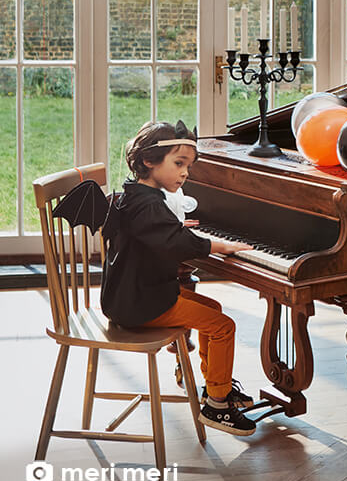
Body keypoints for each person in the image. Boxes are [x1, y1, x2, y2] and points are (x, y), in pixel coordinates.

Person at [100, 120, 257, 436]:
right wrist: (216, 244)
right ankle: (216, 405)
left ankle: (217, 387)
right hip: (141, 304)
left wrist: (181, 229)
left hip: (135, 295)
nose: (186, 173)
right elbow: (175, 244)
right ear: (149, 161)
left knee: (213, 310)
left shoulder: (136, 196)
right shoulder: (147, 206)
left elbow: (162, 235)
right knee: (224, 326)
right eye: (179, 164)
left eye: (188, 165)